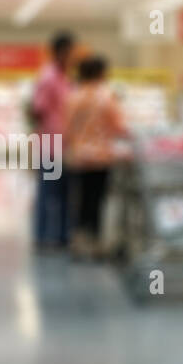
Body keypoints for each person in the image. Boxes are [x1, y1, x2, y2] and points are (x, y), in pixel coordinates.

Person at [63, 55, 129, 260]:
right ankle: (95, 241)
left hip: (79, 157)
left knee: (80, 198)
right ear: (101, 73)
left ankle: (79, 240)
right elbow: (119, 127)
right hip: (101, 157)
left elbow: (65, 129)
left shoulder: (73, 97)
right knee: (97, 199)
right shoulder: (106, 97)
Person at [28, 31, 74, 249]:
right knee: (49, 191)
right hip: (50, 144)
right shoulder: (49, 77)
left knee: (64, 192)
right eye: (71, 51)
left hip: (65, 144)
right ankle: (43, 236)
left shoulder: (64, 77)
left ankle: (62, 236)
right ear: (62, 51)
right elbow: (37, 110)